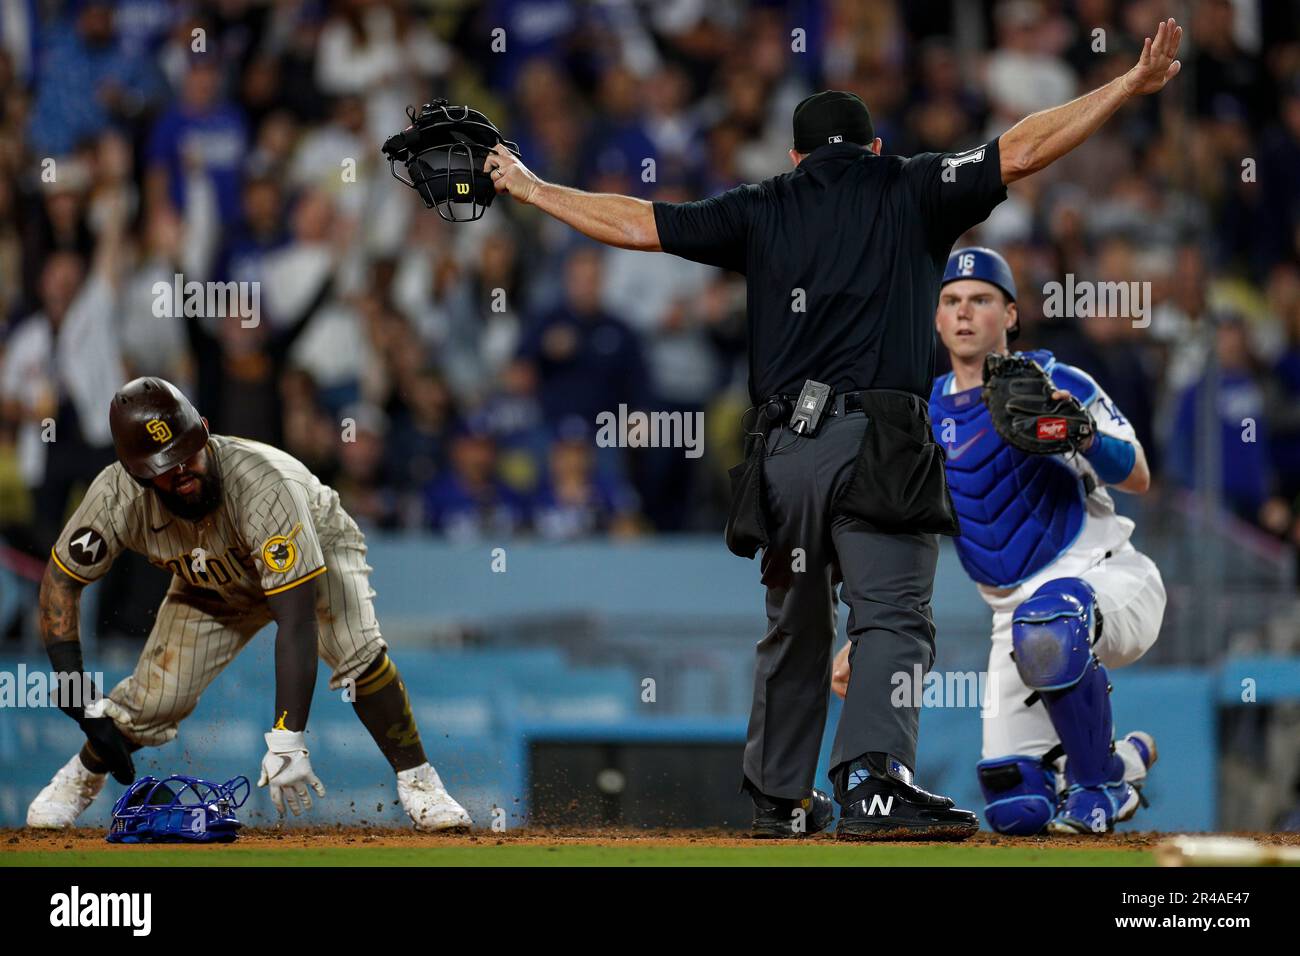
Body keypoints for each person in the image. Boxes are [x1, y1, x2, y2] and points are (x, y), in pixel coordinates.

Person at [483, 20, 1184, 839]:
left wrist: (530, 187)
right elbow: (1022, 149)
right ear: (876, 146)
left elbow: (638, 222)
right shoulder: (912, 185)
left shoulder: (760, 206)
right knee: (890, 618)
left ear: (794, 160)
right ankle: (875, 785)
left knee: (795, 629)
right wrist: (1126, 86)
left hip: (778, 456)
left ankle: (779, 798)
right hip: (874, 442)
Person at [26, 378, 471, 832]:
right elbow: (61, 582)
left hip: (316, 547)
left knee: (355, 647)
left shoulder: (261, 484)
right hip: (211, 580)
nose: (181, 469)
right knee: (153, 701)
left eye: (188, 452)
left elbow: (295, 620)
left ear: (203, 430)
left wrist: (287, 739)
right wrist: (74, 689)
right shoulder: (115, 496)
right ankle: (80, 778)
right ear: (134, 471)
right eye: (164, 465)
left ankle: (421, 783)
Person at [834, 246, 1165, 834]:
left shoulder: (1056, 380)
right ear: (935, 318)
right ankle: (1121, 759)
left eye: (982, 299)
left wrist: (1080, 434)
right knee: (1017, 806)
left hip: (1107, 578)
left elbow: (1138, 472)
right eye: (951, 301)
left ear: (1010, 314)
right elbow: (899, 535)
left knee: (1048, 625)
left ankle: (1101, 785)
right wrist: (864, 632)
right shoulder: (921, 413)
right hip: (1013, 622)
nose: (965, 313)